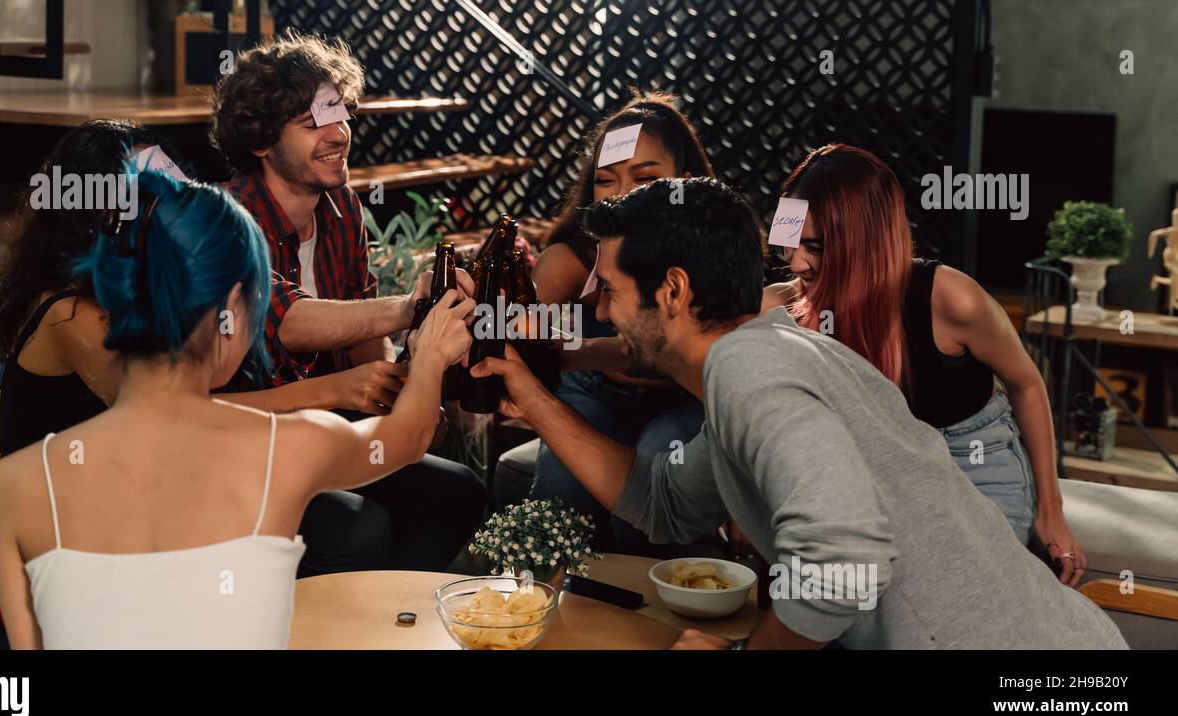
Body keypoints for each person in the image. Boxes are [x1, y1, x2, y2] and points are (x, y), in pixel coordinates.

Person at [471, 177, 1126, 649]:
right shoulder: (770, 353)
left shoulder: (748, 370)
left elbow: (844, 562)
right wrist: (532, 396)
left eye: (610, 292)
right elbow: (662, 500)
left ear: (672, 291)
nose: (603, 313)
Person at [0, 168, 476, 648]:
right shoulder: (287, 447)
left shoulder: (13, 484)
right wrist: (431, 351)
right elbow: (410, 436)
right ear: (233, 308)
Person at [210, 31, 486, 569]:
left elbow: (363, 338)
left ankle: (389, 621)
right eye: (314, 123)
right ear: (262, 140)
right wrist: (412, 307)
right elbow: (286, 320)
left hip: (324, 435)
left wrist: (403, 394)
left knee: (458, 492)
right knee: (360, 525)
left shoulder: (342, 209)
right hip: (244, 448)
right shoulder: (226, 221)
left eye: (341, 115)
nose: (338, 133)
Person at [760, 144, 1084, 585]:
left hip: (972, 464)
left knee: (958, 595)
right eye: (790, 245)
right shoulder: (788, 302)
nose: (796, 263)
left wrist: (1052, 511)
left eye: (814, 248)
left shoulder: (951, 297)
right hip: (877, 468)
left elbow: (1026, 384)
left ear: (863, 241)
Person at [518, 91, 711, 554]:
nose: (625, 195)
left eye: (646, 177)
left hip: (681, 403)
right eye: (607, 181)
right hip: (594, 397)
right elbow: (519, 330)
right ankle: (542, 606)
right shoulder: (573, 256)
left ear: (685, 181)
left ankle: (659, 615)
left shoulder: (711, 250)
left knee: (659, 462)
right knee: (561, 484)